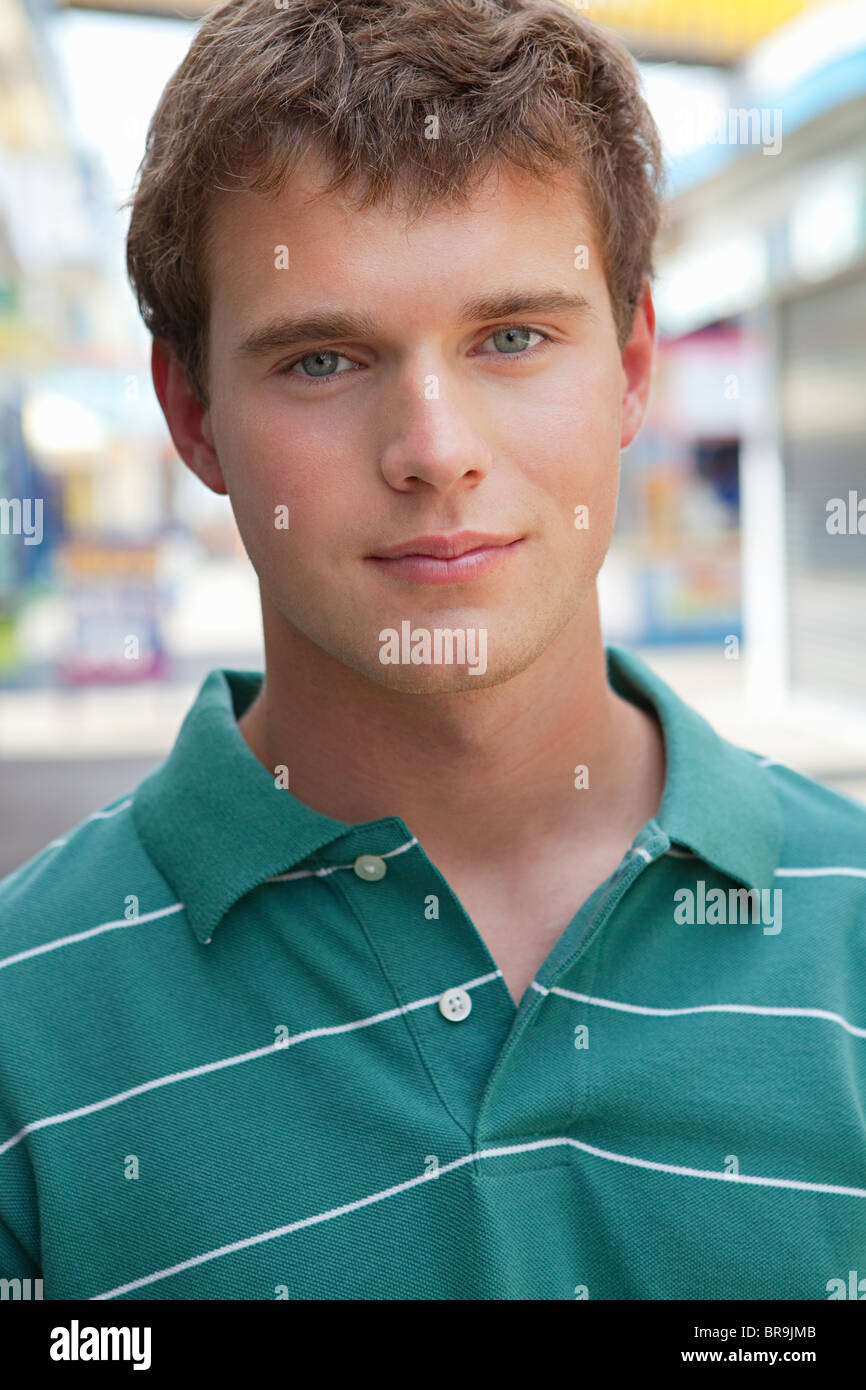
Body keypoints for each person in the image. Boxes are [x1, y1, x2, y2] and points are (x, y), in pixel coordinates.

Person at [1, 0, 864, 1302]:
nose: (432, 446)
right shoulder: (22, 1025)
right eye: (324, 358)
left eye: (512, 337)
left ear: (632, 361)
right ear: (192, 414)